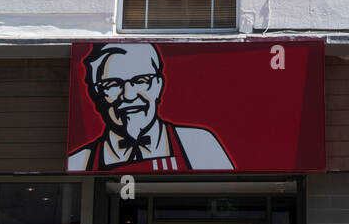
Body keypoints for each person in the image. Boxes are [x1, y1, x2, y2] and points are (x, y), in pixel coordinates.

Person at [67, 43, 233, 172]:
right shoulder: (81, 161)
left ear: (159, 86)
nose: (129, 95)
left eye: (141, 81)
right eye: (112, 84)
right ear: (96, 93)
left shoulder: (198, 145)